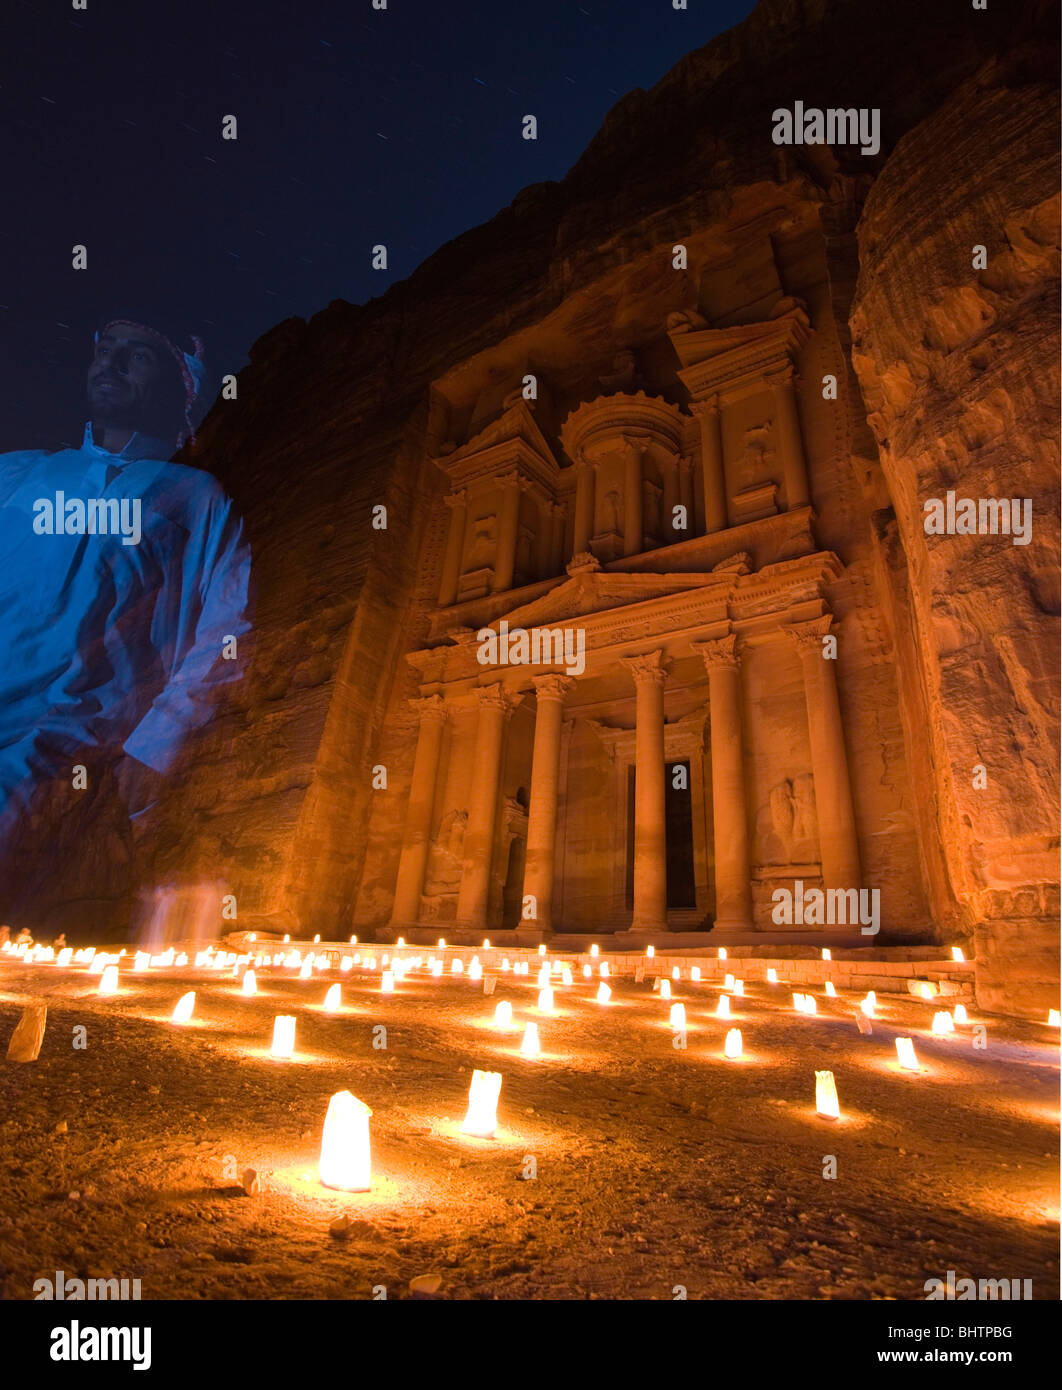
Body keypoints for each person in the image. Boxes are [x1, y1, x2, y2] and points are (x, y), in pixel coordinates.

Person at [0, 311, 252, 862]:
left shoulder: (193, 497)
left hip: (65, 744)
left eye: (135, 356)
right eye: (104, 349)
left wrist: (158, 744)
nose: (109, 364)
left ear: (174, 384)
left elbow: (229, 626)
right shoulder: (18, 474)